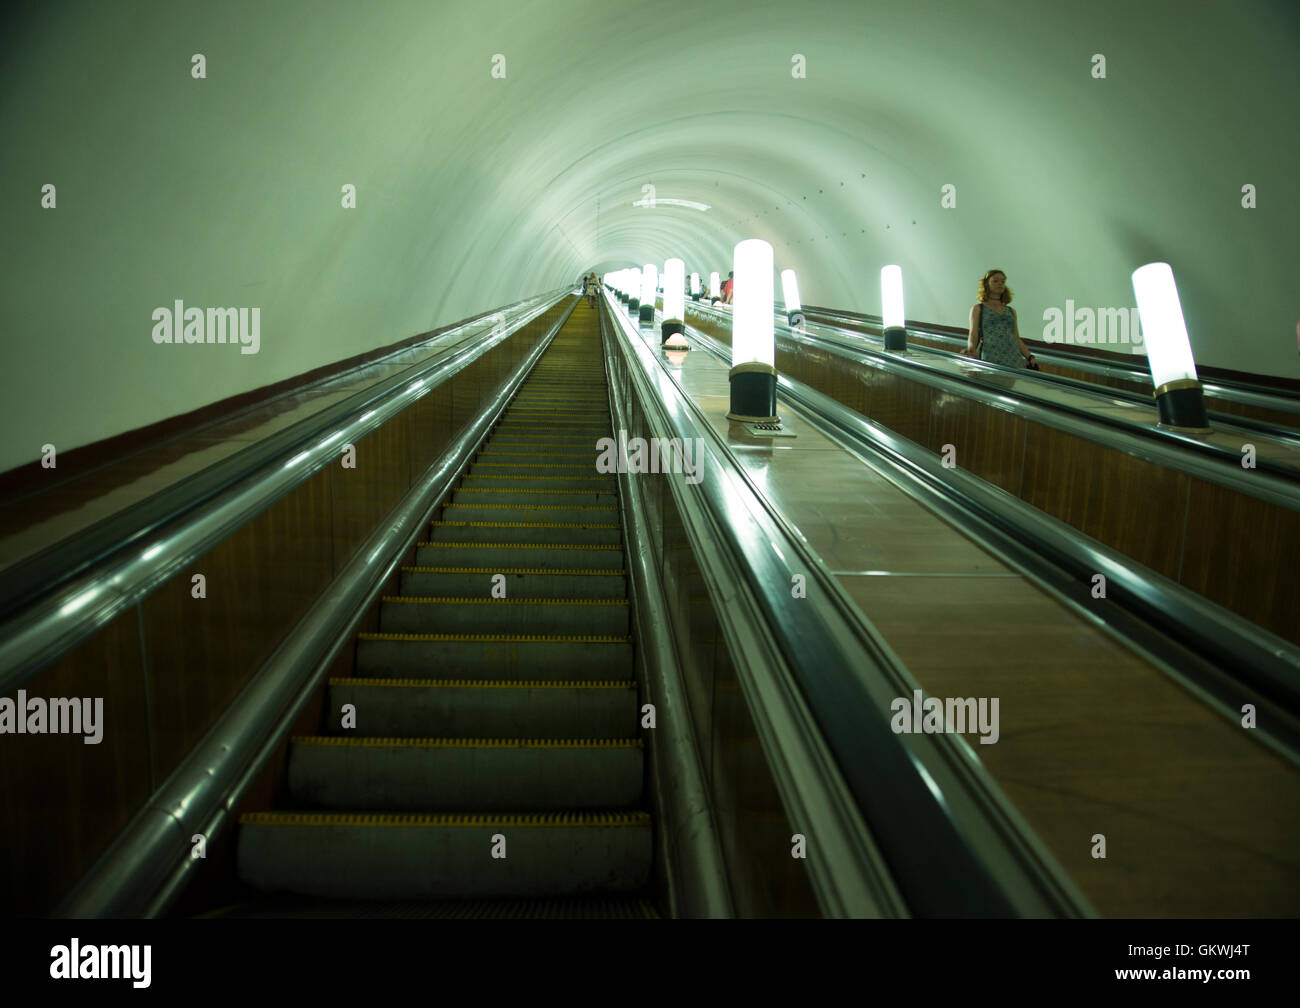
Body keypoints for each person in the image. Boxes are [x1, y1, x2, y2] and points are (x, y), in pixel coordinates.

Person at [962, 268, 1035, 368]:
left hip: (1013, 357)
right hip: (990, 356)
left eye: (1003, 281)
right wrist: (971, 349)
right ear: (986, 284)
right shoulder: (978, 309)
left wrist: (1029, 356)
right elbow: (973, 334)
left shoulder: (1011, 311)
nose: (1000, 284)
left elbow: (1016, 337)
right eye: (995, 281)